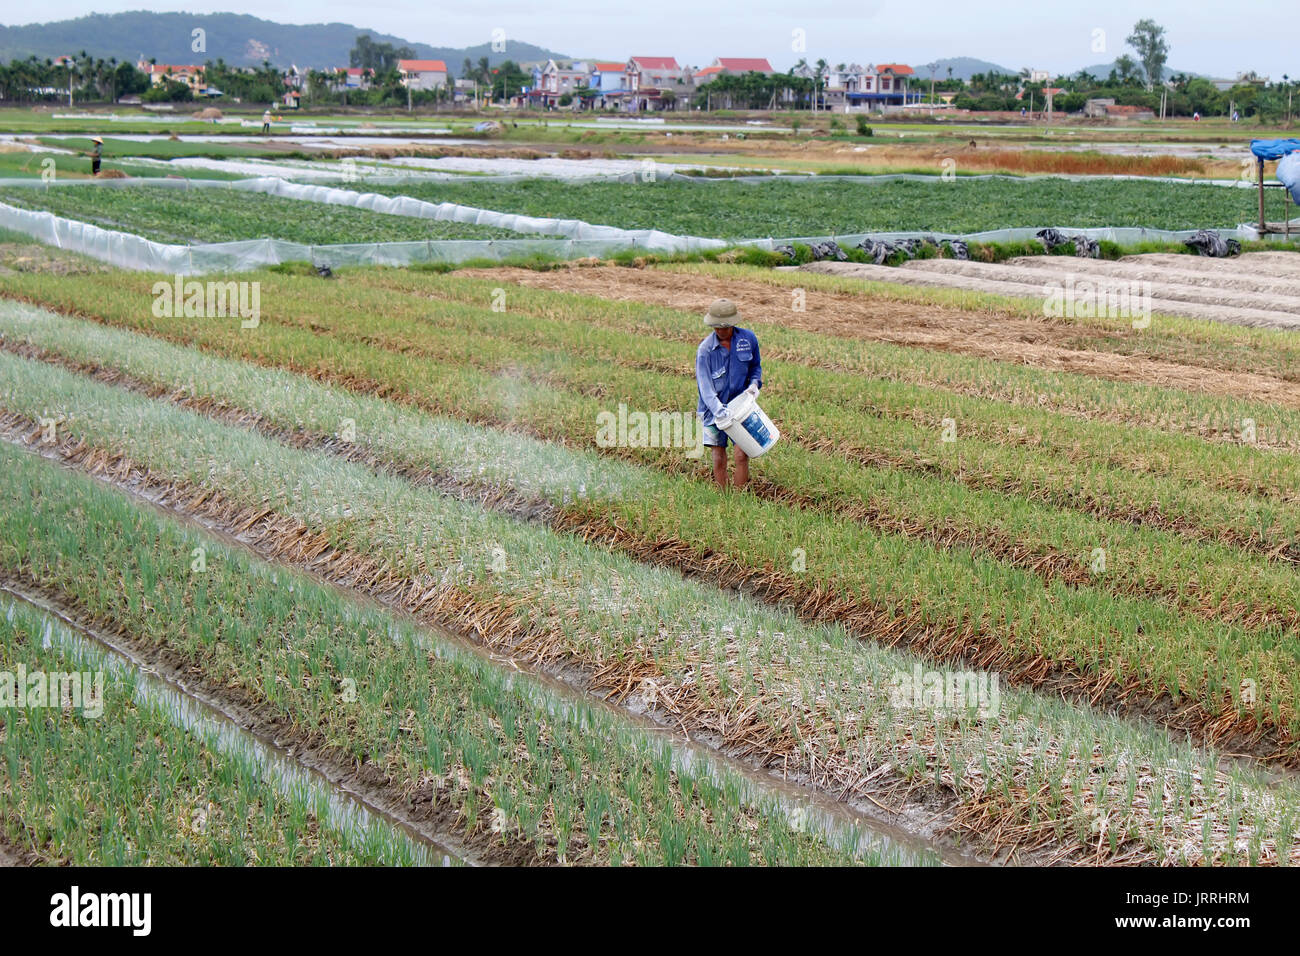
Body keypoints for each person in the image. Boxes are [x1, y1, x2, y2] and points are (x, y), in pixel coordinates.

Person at [695, 298, 762, 490]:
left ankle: (740, 496)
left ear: (733, 323)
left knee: (742, 454)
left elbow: (755, 367)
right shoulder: (705, 350)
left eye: (724, 327)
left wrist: (754, 384)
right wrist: (719, 411)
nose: (720, 331)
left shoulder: (747, 340)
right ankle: (723, 497)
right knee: (718, 457)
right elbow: (705, 388)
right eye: (716, 327)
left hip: (741, 407)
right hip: (712, 410)